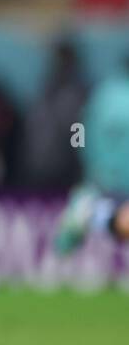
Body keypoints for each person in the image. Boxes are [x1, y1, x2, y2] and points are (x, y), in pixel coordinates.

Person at [53, 66, 129, 255]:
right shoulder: (109, 95)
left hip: (105, 178)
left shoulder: (104, 94)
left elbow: (82, 136)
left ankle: (94, 213)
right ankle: (93, 213)